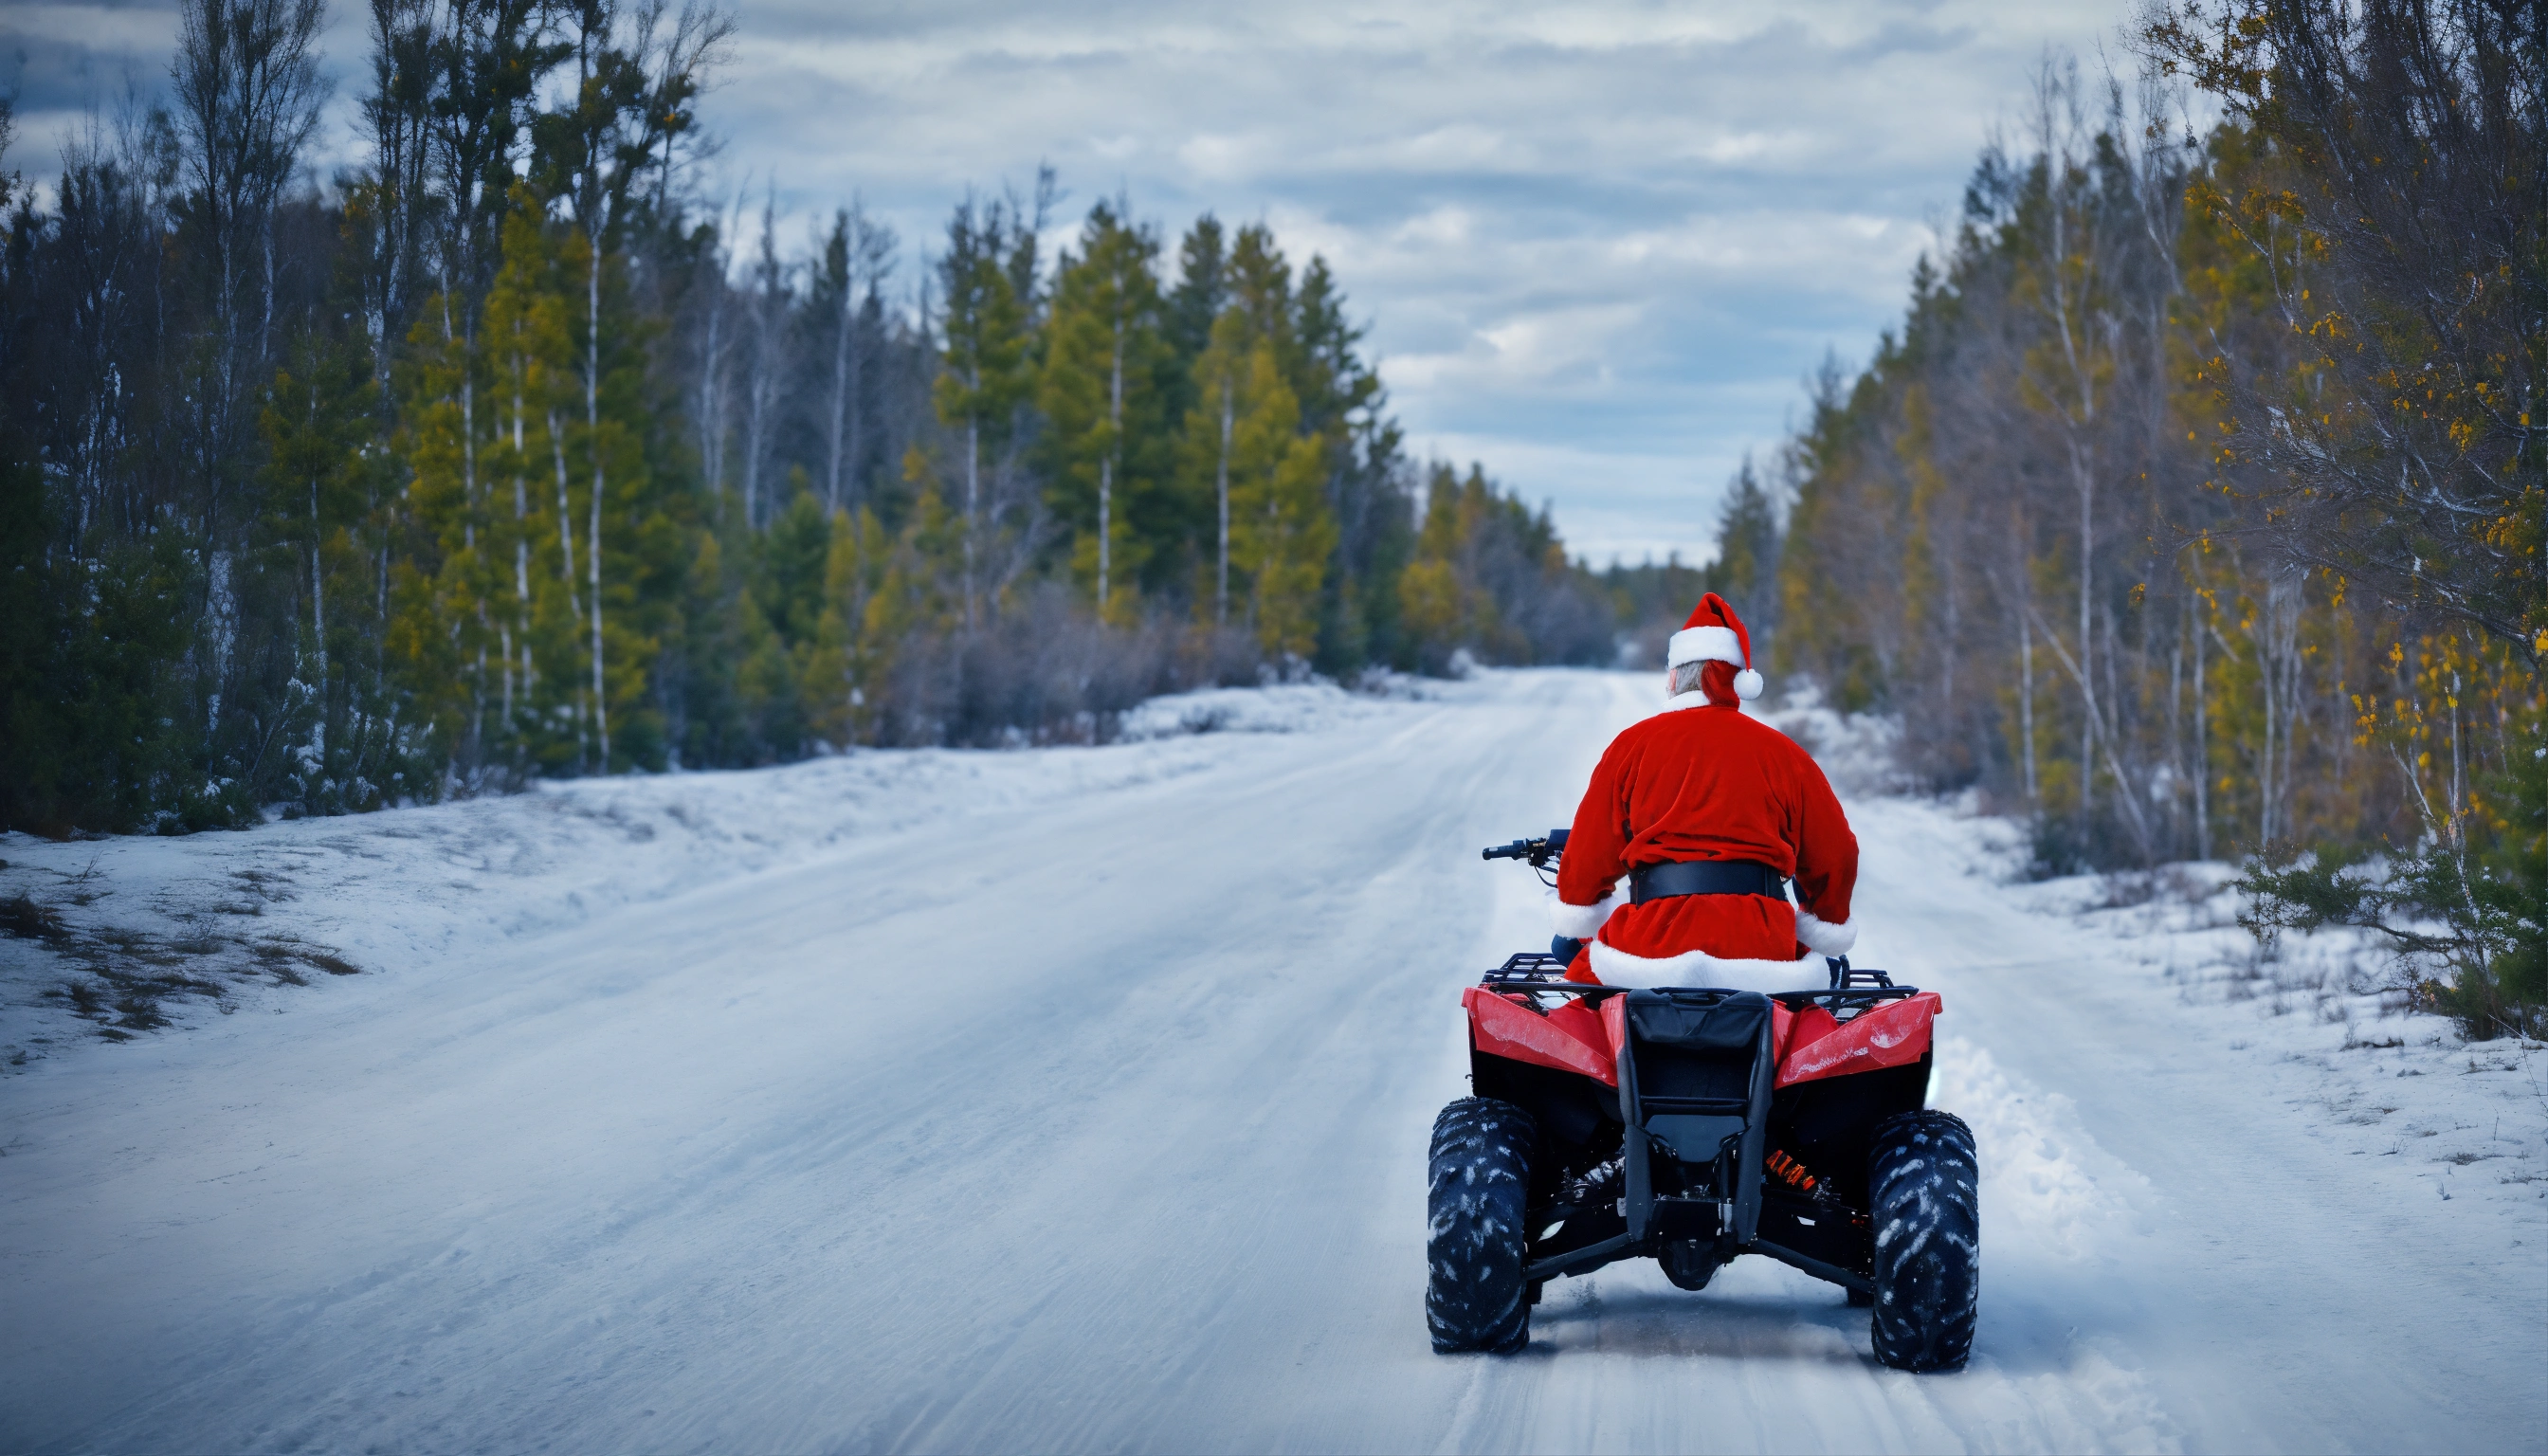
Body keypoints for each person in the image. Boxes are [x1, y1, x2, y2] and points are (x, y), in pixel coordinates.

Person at [1550, 593, 1859, 992]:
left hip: (1651, 943)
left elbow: (1588, 856)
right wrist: (1824, 922)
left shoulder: (1632, 747)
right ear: (1734, 681)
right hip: (1762, 946)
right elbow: (1837, 854)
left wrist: (1581, 906)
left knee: (1584, 1013)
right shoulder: (1783, 754)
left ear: (1677, 678)